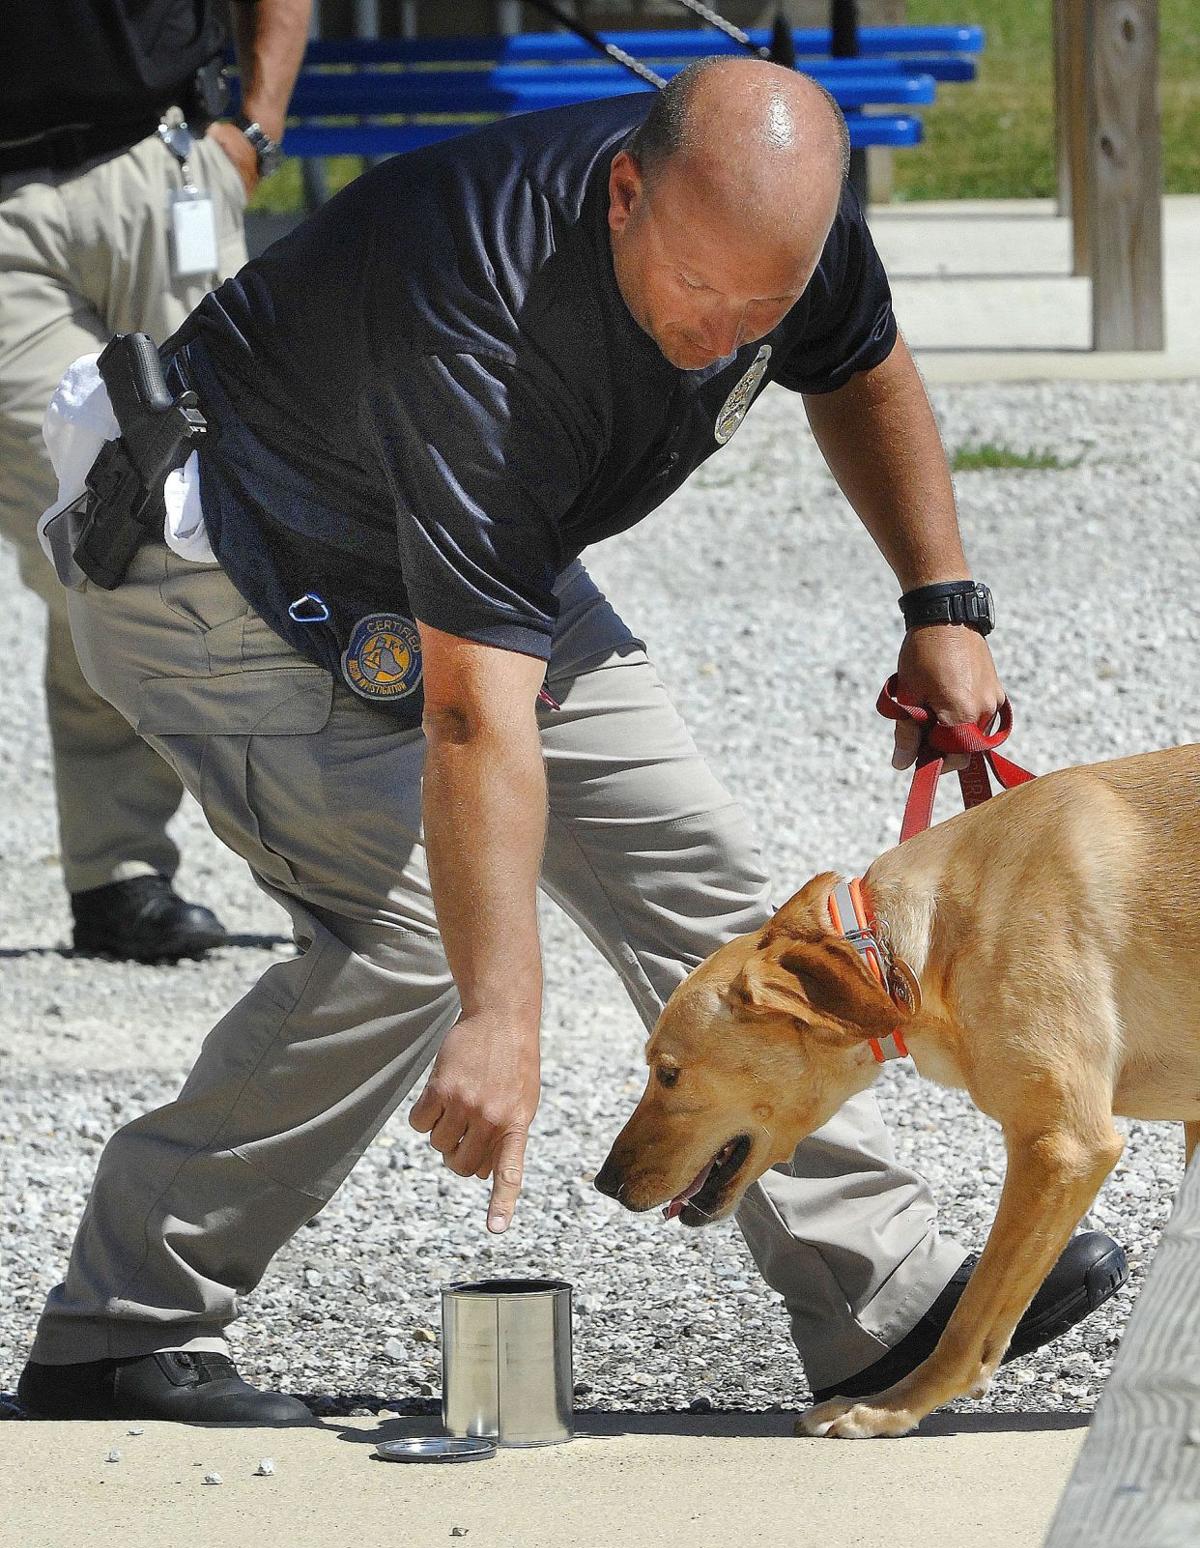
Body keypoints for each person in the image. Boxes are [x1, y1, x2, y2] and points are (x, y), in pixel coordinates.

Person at [18, 59, 1125, 1425]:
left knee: (719, 897)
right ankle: (118, 1330)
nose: (722, 337)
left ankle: (883, 1302)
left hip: (458, 552)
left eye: (759, 309)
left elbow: (862, 365)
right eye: (698, 291)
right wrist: (505, 1010)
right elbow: (473, 718)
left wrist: (941, 603)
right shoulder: (477, 306)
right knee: (411, 942)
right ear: (624, 194)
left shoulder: (785, 232)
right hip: (220, 555)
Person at [0, 0, 310, 961]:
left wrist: (252, 129)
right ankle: (126, 865)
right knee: (102, 523)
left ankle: (315, 868)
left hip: (165, 162)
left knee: (228, 517)